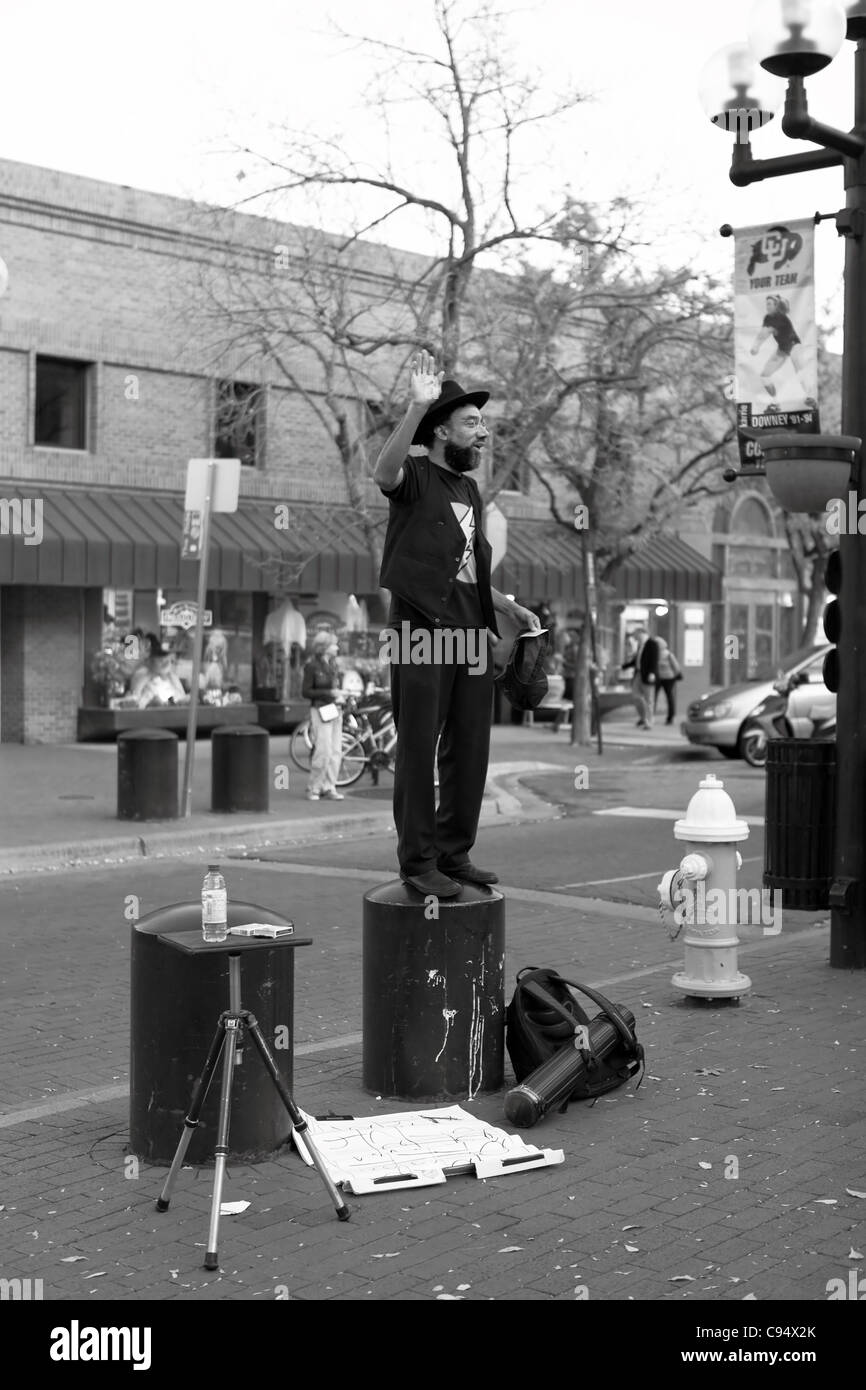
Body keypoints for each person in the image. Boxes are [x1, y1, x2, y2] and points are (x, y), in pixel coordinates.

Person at [373, 349, 541, 896]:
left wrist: (506, 607)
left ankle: (453, 853)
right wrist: (413, 408)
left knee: (470, 746)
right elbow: (383, 471)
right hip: (420, 631)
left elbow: (463, 572)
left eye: (482, 423)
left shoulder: (469, 490)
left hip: (471, 634)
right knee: (419, 747)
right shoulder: (417, 476)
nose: (483, 432)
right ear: (441, 430)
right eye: (472, 422)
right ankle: (418, 862)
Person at [301, 631, 346, 802]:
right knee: (323, 750)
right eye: (334, 644)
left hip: (335, 709)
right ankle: (314, 786)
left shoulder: (333, 665)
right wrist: (330, 692)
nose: (337, 647)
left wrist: (340, 695)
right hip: (320, 710)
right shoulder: (312, 666)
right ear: (325, 648)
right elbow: (306, 691)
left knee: (336, 751)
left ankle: (329, 786)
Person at [750, 295, 814, 407]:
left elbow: (766, 331)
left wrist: (756, 346)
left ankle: (809, 397)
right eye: (767, 304)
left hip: (794, 345)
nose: (767, 306)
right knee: (764, 376)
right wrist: (756, 346)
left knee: (799, 368)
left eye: (770, 304)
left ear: (776, 305)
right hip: (783, 349)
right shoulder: (768, 318)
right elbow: (763, 332)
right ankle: (775, 402)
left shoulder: (781, 316)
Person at [129, 642, 189, 708]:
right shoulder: (142, 674)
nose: (166, 664)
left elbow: (182, 697)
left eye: (168, 660)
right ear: (150, 661)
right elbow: (134, 698)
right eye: (161, 661)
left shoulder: (172, 676)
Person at [622, 626, 658, 730]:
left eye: (635, 635)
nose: (634, 637)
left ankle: (649, 721)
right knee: (636, 696)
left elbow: (654, 660)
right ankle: (643, 717)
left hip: (647, 675)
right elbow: (636, 661)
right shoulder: (640, 646)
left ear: (641, 633)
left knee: (649, 699)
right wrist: (623, 666)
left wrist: (652, 673)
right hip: (638, 673)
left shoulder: (652, 644)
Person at [653, 636, 682, 725]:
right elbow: (676, 666)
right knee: (669, 697)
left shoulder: (655, 654)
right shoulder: (669, 654)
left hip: (659, 678)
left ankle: (651, 716)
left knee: (654, 697)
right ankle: (670, 717)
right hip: (669, 678)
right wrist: (677, 673)